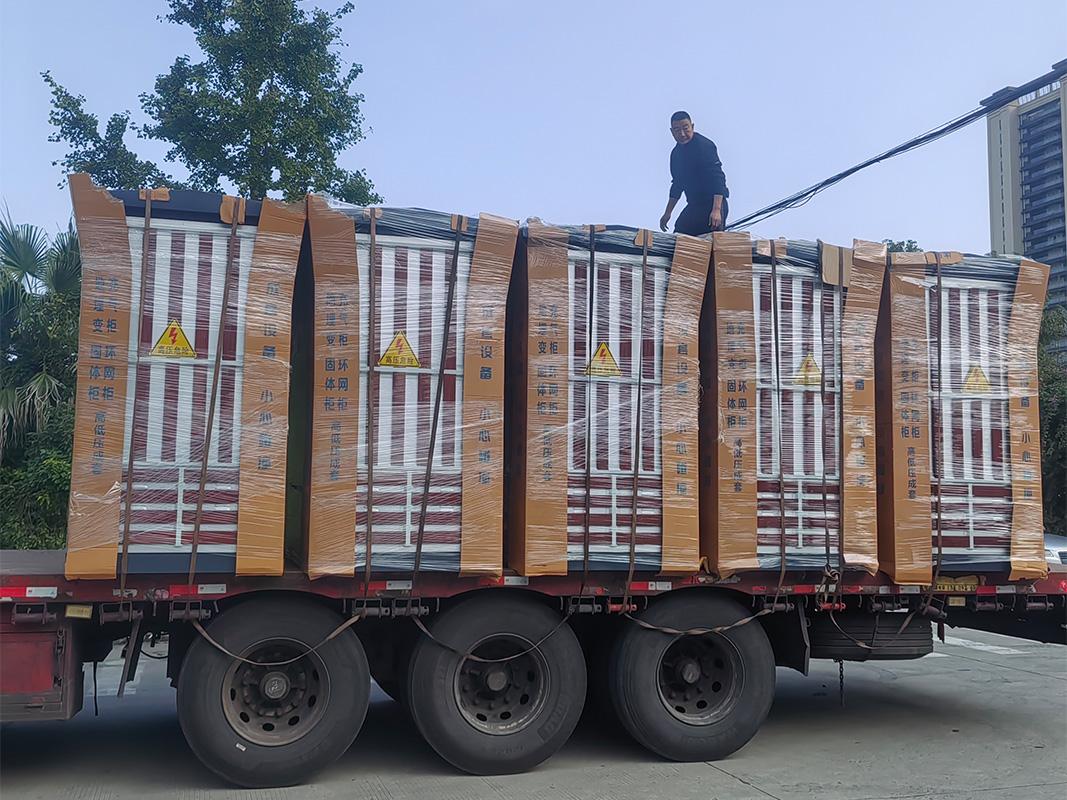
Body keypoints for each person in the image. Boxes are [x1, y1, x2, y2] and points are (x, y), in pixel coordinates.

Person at [659, 111, 730, 236]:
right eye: (677, 130)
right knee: (680, 231)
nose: (682, 134)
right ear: (672, 132)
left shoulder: (704, 146)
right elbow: (677, 185)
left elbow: (718, 178)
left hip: (713, 203)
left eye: (685, 128)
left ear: (692, 126)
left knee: (710, 240)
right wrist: (667, 213)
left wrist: (716, 210)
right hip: (694, 205)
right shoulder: (676, 154)